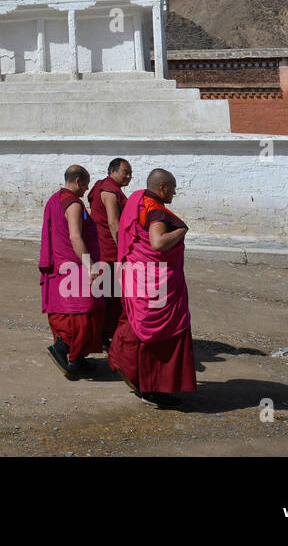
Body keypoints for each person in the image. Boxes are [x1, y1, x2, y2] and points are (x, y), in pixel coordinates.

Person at [108, 168, 198, 408]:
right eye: (173, 188)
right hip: (158, 285)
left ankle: (136, 376)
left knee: (135, 325)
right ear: (162, 188)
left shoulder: (137, 200)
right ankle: (153, 390)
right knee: (162, 335)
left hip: (139, 277)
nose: (175, 192)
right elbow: (157, 243)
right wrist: (181, 230)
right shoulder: (156, 211)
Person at [40, 164, 106, 377]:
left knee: (72, 312)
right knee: (83, 315)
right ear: (78, 181)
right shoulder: (74, 204)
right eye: (86, 184)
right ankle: (62, 348)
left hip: (63, 265)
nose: (87, 189)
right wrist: (89, 265)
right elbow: (75, 236)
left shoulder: (55, 199)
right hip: (74, 267)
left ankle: (77, 360)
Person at [87, 158, 132, 350]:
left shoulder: (102, 186)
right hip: (109, 251)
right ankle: (107, 334)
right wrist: (123, 251)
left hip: (99, 246)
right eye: (125, 172)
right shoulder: (110, 193)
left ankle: (103, 334)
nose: (129, 177)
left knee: (106, 293)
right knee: (113, 296)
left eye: (130, 173)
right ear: (112, 171)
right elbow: (114, 224)